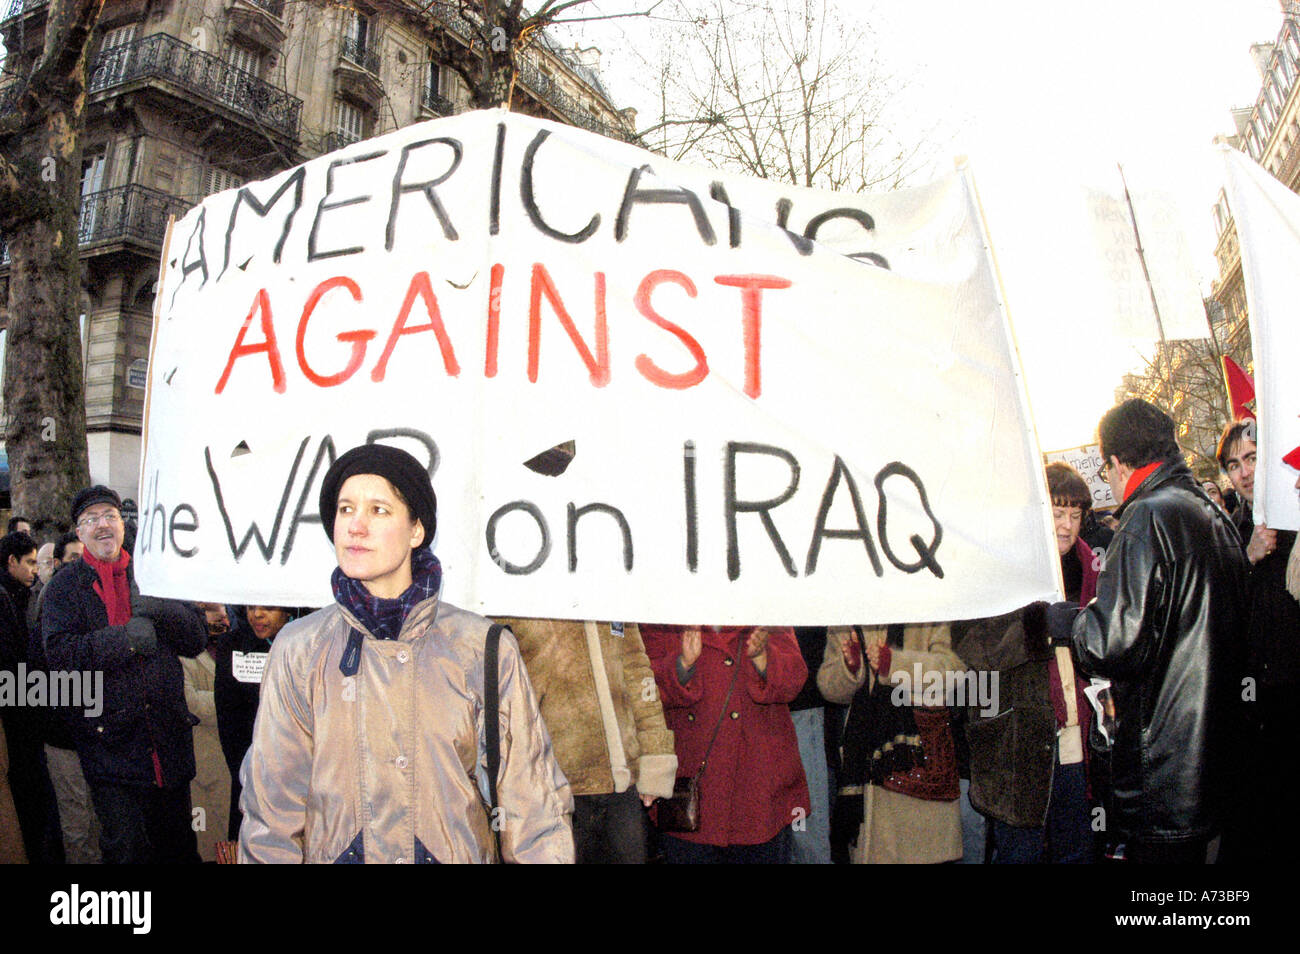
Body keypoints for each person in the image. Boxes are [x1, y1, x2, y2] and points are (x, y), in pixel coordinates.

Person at [239, 444, 573, 863]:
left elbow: (535, 811)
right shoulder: (299, 649)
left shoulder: (482, 648)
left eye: (379, 510)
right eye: (345, 509)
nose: (355, 526)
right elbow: (271, 818)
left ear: (417, 530)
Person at [1055, 400, 1248, 864]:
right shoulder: (1211, 511)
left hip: (1165, 774)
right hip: (1214, 768)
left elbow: (1111, 643)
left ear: (1118, 463)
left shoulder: (1146, 518)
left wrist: (1072, 622)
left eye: (1108, 470)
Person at [42, 485, 208, 864]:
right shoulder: (64, 589)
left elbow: (196, 638)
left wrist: (160, 608)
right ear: (79, 532)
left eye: (110, 517)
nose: (103, 526)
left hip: (168, 746)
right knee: (127, 852)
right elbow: (61, 659)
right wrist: (124, 640)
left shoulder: (154, 571)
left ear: (122, 524)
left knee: (179, 850)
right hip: (110, 752)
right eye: (92, 520)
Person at [957, 464, 1098, 864]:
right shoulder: (997, 566)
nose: (1067, 526)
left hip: (1074, 731)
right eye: (1057, 513)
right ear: (1035, 512)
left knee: (1076, 851)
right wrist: (1039, 629)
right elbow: (972, 650)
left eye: (1075, 515)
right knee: (1020, 854)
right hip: (1017, 742)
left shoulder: (1089, 564)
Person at [500, 616, 677, 863]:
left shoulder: (611, 589)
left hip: (622, 787)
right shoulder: (519, 593)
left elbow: (638, 671)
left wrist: (656, 757)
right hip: (554, 788)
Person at [642, 623, 808, 863]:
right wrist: (681, 666)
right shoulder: (666, 611)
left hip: (759, 792)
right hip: (691, 795)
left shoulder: (765, 606)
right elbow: (642, 687)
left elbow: (795, 679)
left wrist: (762, 659)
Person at [1215, 422, 1300, 861]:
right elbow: (1214, 617)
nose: (1244, 473)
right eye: (1234, 465)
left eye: (1251, 458)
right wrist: (1245, 560)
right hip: (1251, 710)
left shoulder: (1296, 522)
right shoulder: (1226, 533)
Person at [819, 623, 965, 864]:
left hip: (920, 765)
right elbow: (828, 686)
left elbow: (954, 672)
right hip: (867, 772)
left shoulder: (931, 603)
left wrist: (894, 664)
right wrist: (849, 668)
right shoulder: (848, 611)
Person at [215, 604, 299, 842]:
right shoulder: (232, 646)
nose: (257, 615)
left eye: (268, 607)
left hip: (300, 771)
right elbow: (228, 721)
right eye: (251, 607)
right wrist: (246, 776)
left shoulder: (310, 641)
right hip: (251, 773)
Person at [182, 604, 233, 862]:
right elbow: (190, 703)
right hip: (203, 769)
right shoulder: (184, 656)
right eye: (216, 612)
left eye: (225, 613)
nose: (223, 618)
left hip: (235, 764)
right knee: (205, 842)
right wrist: (233, 700)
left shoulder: (234, 649)